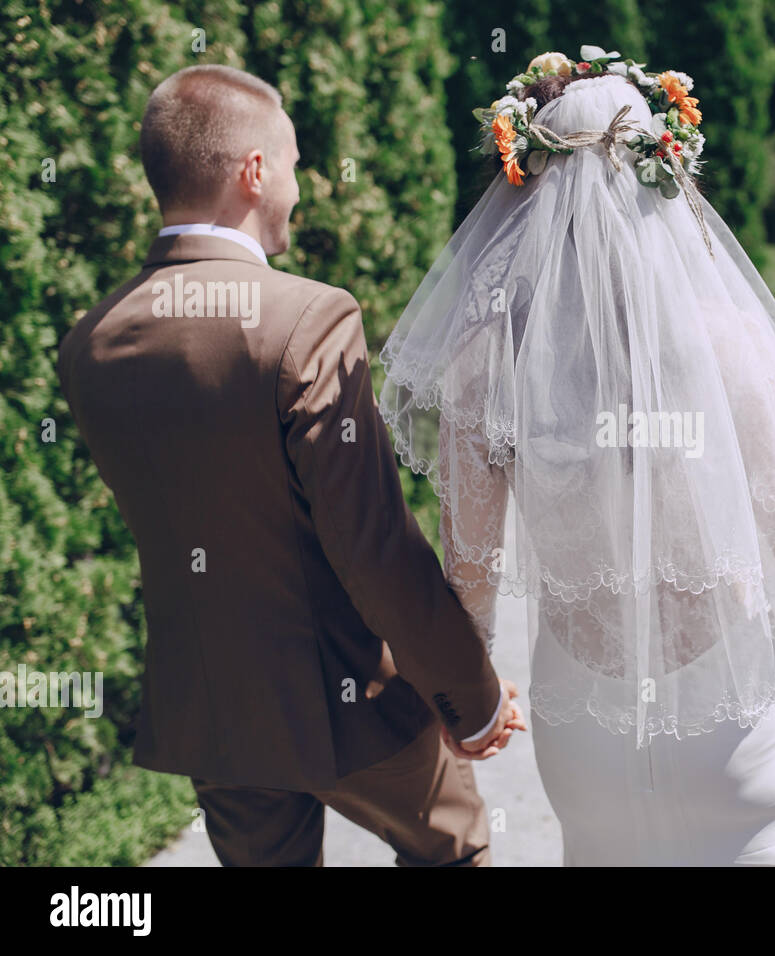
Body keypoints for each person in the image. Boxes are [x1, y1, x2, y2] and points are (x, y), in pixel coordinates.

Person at [379, 65, 775, 866]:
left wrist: (465, 707)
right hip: (729, 724)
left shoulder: (485, 358)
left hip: (581, 730)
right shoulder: (729, 341)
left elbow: (470, 584)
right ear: (667, 176)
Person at [57, 64, 523, 867]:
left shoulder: (92, 342)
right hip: (356, 699)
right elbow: (371, 544)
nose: (302, 189)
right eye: (297, 164)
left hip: (216, 713)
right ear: (254, 171)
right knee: (457, 853)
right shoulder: (307, 317)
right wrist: (470, 696)